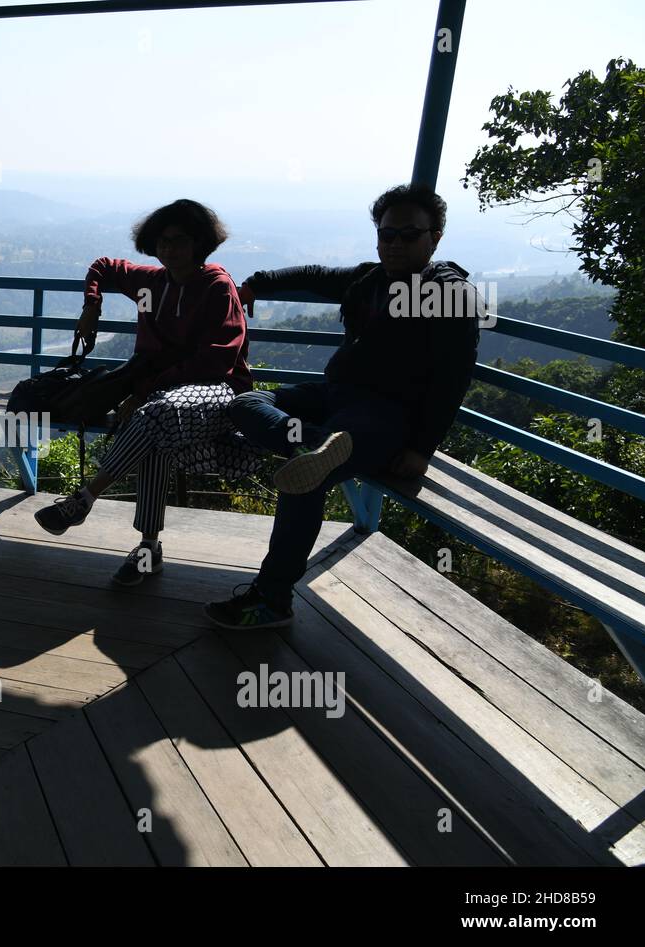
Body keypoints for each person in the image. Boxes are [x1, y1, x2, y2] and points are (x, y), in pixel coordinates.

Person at [204, 182, 482, 629]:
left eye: (409, 235)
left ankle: (272, 599)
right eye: (387, 234)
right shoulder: (368, 280)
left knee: (303, 484)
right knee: (247, 402)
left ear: (436, 237)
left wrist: (422, 450)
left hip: (385, 416)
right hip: (335, 400)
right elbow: (313, 275)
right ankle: (313, 450)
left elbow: (453, 379)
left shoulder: (447, 293)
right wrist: (253, 285)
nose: (394, 243)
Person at [33, 199, 259, 584]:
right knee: (154, 427)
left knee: (154, 413)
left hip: (219, 392)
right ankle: (148, 549)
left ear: (199, 243)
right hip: (162, 401)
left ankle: (83, 499)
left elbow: (215, 362)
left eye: (179, 241)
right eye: (162, 241)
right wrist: (92, 304)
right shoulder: (152, 282)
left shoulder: (217, 288)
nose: (169, 249)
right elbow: (102, 266)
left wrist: (146, 391)